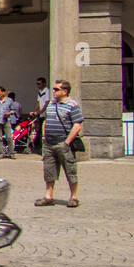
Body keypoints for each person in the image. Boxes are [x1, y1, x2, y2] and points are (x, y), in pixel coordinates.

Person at [37, 79, 83, 208]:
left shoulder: (72, 105)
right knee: (49, 171)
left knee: (70, 170)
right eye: (53, 89)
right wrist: (44, 137)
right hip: (49, 144)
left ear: (65, 91)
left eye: (56, 89)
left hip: (63, 143)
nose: (54, 91)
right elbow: (46, 120)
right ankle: (48, 196)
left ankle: (73, 197)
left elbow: (77, 125)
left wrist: (67, 142)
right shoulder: (51, 104)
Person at [29, 76, 49, 154]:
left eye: (39, 84)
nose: (38, 85)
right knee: (39, 131)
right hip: (40, 115)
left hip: (45, 114)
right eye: (37, 84)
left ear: (44, 83)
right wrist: (34, 111)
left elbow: (47, 103)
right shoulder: (40, 92)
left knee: (44, 132)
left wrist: (40, 112)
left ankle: (44, 149)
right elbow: (38, 102)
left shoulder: (47, 91)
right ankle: (40, 147)